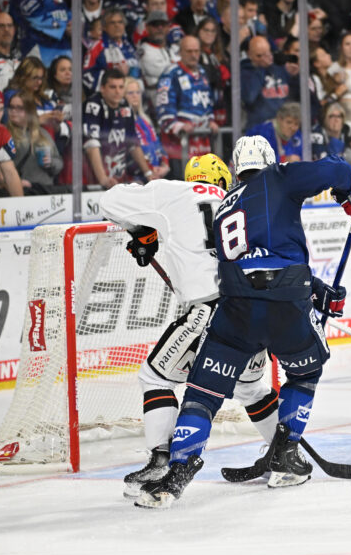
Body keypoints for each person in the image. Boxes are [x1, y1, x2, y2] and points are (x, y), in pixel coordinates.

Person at [133, 137, 351, 508]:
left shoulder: (226, 203)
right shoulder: (278, 177)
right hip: (283, 304)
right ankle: (286, 457)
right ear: (269, 160)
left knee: (203, 393)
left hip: (235, 311)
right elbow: (338, 168)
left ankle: (177, 470)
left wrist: (315, 288)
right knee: (305, 372)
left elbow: (250, 259)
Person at [100, 153, 281, 500]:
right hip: (255, 310)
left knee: (156, 377)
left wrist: (143, 230)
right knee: (250, 388)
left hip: (209, 309)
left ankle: (161, 460)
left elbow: (108, 201)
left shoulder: (174, 192)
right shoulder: (245, 201)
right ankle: (285, 452)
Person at [155, 35, 217, 179]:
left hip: (202, 146)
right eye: (189, 51)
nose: (193, 55)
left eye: (196, 51)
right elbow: (163, 109)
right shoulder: (170, 74)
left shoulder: (202, 72)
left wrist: (211, 120)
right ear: (180, 52)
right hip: (178, 147)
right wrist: (177, 126)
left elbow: (207, 102)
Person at [83, 68, 154, 188]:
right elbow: (91, 145)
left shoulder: (125, 106)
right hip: (91, 178)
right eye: (112, 87)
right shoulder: (93, 105)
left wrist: (149, 174)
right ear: (102, 88)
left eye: (121, 87)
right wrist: (103, 179)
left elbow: (133, 144)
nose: (117, 91)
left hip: (118, 177)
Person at [5, 90, 62, 194]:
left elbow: (59, 163)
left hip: (45, 190)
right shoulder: (4, 134)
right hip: (20, 191)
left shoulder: (43, 133)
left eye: (19, 108)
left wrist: (51, 163)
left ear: (29, 111)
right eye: (11, 107)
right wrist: (14, 182)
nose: (13, 111)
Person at [84, 9, 141, 94]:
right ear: (105, 27)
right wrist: (113, 75)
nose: (117, 25)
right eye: (112, 23)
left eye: (120, 22)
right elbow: (86, 75)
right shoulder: (97, 46)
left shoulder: (130, 46)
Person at [125, 76, 169, 182]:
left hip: (155, 176)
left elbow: (158, 145)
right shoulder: (123, 121)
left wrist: (165, 165)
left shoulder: (145, 120)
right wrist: (149, 170)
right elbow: (130, 152)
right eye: (130, 93)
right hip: (136, 179)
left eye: (137, 92)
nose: (135, 96)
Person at [241, 35, 289, 131]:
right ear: (249, 54)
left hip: (283, 128)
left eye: (267, 53)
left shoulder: (280, 69)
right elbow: (249, 97)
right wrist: (259, 69)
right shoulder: (244, 72)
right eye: (259, 55)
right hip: (259, 129)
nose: (265, 58)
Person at [137, 10, 179, 107]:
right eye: (155, 25)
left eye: (163, 25)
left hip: (176, 98)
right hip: (156, 101)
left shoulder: (173, 48)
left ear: (168, 28)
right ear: (147, 28)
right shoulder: (145, 51)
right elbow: (167, 74)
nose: (160, 28)